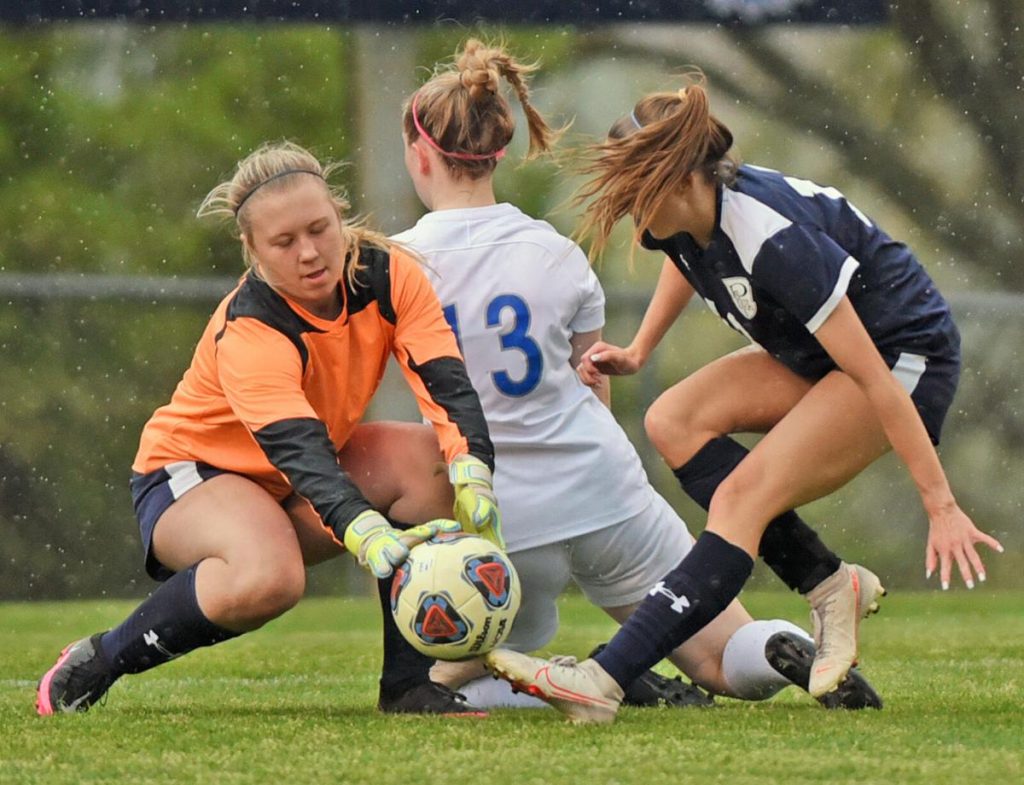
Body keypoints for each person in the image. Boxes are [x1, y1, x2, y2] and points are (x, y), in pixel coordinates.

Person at [483, 76, 1005, 723]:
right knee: (671, 418)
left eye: (632, 191)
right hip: (817, 354)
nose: (624, 210)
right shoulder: (679, 212)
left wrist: (941, 501)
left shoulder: (771, 239)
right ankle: (829, 581)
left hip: (901, 358)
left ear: (679, 180)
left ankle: (603, 678)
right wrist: (640, 349)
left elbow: (873, 376)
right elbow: (684, 257)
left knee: (739, 500)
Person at [394, 41, 881, 713]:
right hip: (603, 487)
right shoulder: (554, 252)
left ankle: (574, 679)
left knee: (469, 677)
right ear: (498, 152)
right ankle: (778, 649)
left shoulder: (398, 264)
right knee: (717, 653)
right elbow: (592, 378)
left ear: (418, 154)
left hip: (503, 517)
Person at [35, 141, 503, 717]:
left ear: (338, 214)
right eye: (284, 242)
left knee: (434, 464)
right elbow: (298, 449)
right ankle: (102, 658)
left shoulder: (388, 274)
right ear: (251, 249)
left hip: (292, 483)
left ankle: (408, 686)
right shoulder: (253, 326)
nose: (309, 253)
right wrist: (362, 528)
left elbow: (444, 381)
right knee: (271, 578)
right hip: (192, 475)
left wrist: (475, 471)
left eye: (319, 228)